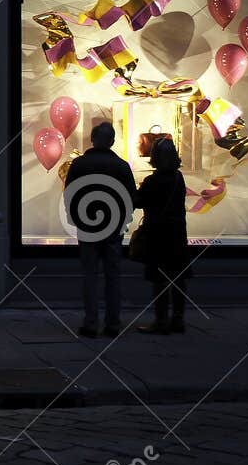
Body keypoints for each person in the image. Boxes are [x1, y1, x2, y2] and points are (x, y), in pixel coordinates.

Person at [63, 121, 136, 338]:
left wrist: (76, 219)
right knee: (113, 275)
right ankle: (113, 323)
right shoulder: (122, 166)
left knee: (90, 275)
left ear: (92, 140)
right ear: (112, 141)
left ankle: (91, 322)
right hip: (114, 227)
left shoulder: (79, 165)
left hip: (88, 226)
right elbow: (132, 197)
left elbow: (70, 195)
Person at [134, 138, 192, 334]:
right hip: (177, 233)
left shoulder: (152, 181)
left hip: (157, 233)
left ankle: (161, 320)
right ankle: (178, 319)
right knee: (178, 276)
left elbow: (138, 201)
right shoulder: (179, 177)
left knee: (159, 278)